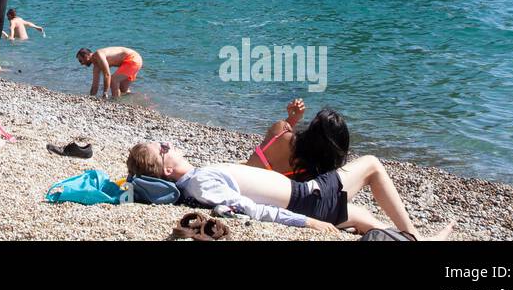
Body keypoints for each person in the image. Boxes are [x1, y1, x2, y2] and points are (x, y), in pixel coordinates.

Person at [126, 141, 453, 240]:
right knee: (371, 164)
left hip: (308, 202)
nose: (171, 145)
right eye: (165, 147)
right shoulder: (198, 183)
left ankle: (412, 240)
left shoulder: (193, 181)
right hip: (307, 199)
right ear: (168, 169)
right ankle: (414, 236)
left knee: (363, 218)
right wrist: (305, 223)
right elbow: (247, 208)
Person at [246, 99, 352, 180]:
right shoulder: (312, 170)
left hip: (240, 183)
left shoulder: (279, 130)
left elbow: (286, 137)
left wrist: (293, 117)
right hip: (258, 198)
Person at [76, 46, 143, 98]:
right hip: (132, 61)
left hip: (133, 59)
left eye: (80, 61)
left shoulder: (98, 55)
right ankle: (139, 98)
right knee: (123, 90)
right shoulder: (96, 66)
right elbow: (95, 85)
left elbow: (107, 75)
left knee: (113, 80)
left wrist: (105, 93)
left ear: (86, 56)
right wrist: (90, 98)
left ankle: (116, 103)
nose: (81, 64)